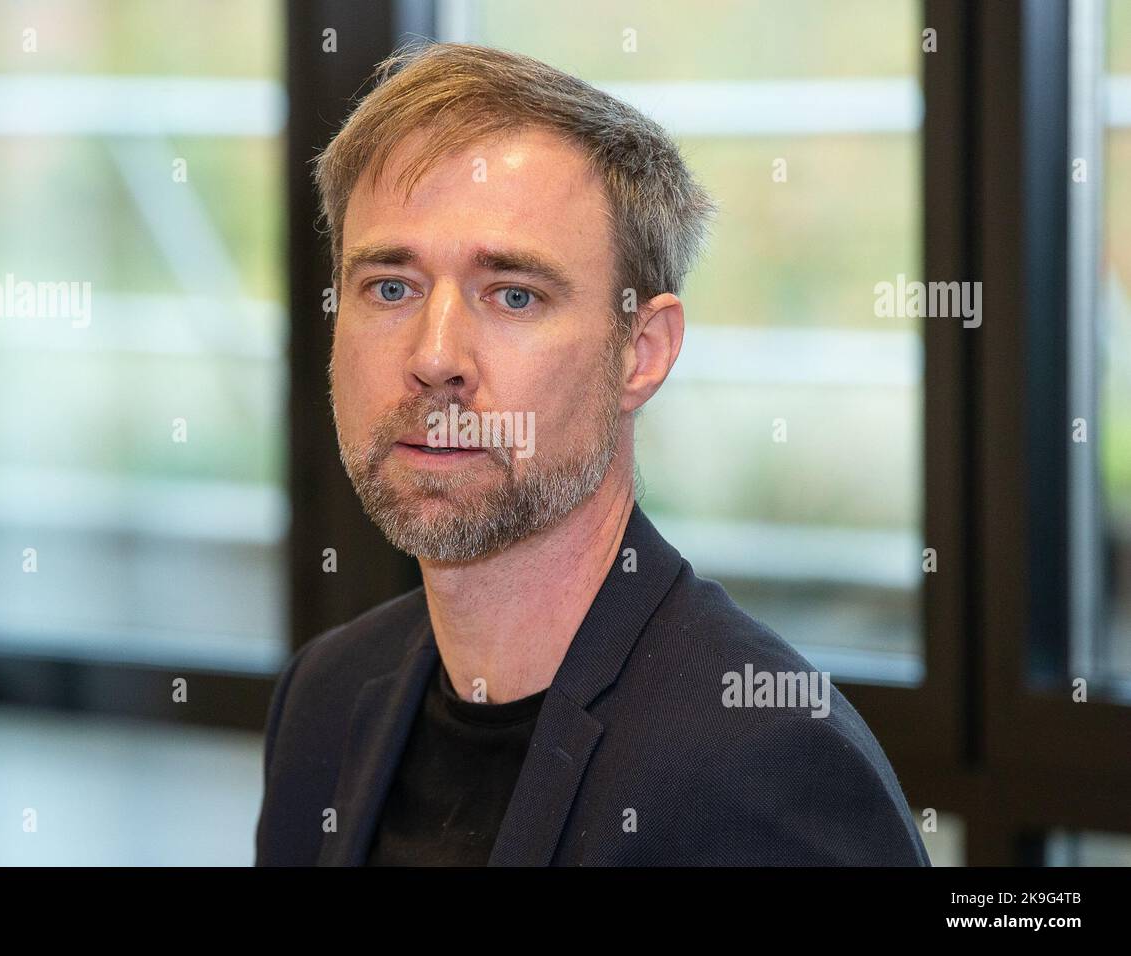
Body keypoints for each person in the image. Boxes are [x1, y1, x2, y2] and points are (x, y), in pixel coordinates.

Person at [255, 41, 930, 866]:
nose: (435, 356)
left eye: (513, 295)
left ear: (641, 353)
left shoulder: (763, 764)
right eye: (390, 287)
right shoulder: (323, 698)